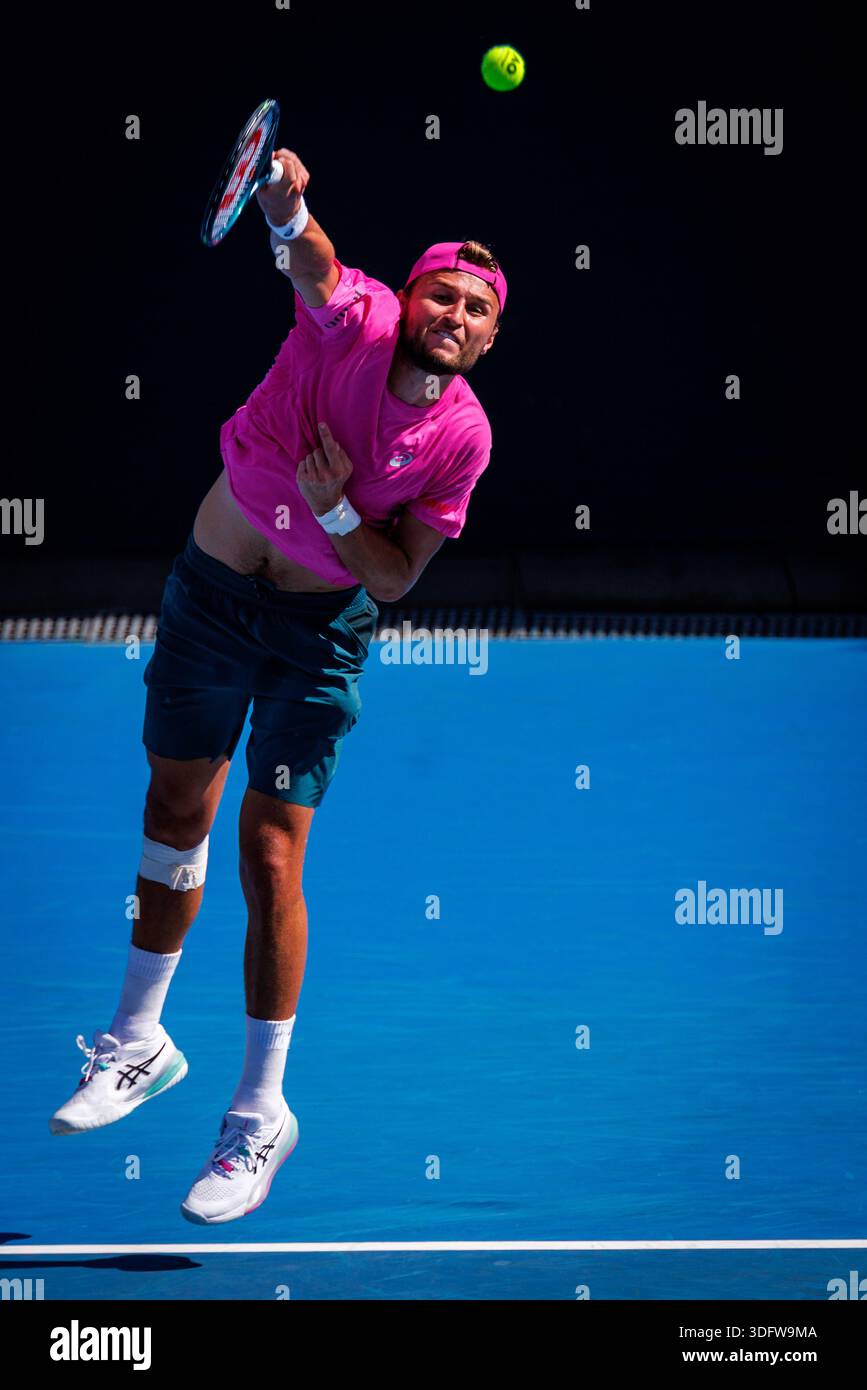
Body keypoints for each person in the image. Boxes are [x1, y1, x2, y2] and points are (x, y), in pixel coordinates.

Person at [49, 146, 507, 1225]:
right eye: (442, 290)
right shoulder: (351, 318)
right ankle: (138, 1040)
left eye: (478, 308)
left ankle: (258, 1113)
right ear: (409, 296)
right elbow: (312, 259)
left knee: (268, 849)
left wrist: (340, 511)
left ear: (491, 336)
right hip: (211, 594)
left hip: (319, 631)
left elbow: (392, 578)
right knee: (174, 808)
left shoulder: (463, 440)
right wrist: (281, 200)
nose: (454, 312)